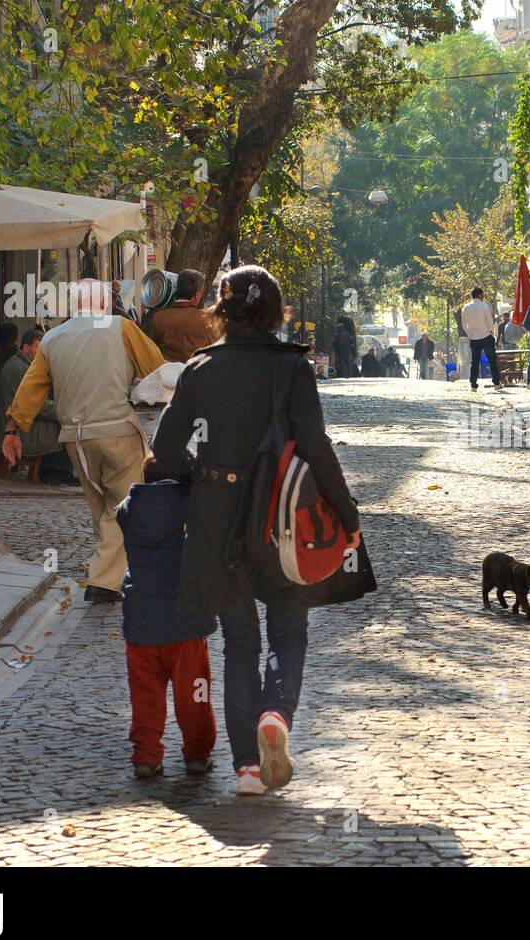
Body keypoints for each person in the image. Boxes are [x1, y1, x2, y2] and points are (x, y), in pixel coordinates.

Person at [149, 266, 364, 796]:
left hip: (217, 517)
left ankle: (246, 767)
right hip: (282, 517)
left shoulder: (199, 369)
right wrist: (347, 515)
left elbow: (165, 454)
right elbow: (314, 445)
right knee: (288, 628)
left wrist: (195, 476)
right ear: (275, 312)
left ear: (221, 310)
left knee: (240, 643)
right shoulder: (290, 367)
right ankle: (276, 715)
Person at [4, 279, 165, 603]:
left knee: (101, 508)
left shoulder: (53, 338)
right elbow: (157, 370)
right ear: (104, 304)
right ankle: (104, 580)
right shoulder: (120, 327)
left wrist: (12, 430)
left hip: (75, 439)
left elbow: (31, 389)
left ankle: (110, 575)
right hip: (116, 430)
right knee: (124, 507)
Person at [115, 479, 217, 779]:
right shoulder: (192, 507)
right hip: (186, 621)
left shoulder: (127, 510)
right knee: (195, 694)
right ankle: (197, 753)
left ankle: (146, 756)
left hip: (141, 620)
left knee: (145, 695)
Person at [0, 328, 76, 484]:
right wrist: (64, 410)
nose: (41, 353)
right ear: (26, 348)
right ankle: (57, 473)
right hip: (18, 430)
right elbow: (37, 405)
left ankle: (53, 471)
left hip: (13, 424)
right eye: (37, 348)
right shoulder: (20, 368)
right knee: (64, 422)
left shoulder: (20, 364)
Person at [150, 269, 217, 364]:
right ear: (197, 295)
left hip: (165, 374)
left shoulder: (158, 317)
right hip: (195, 375)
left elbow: (152, 350)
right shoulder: (206, 320)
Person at [462, 287, 502, 391]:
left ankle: (473, 384)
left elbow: (463, 323)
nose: (483, 296)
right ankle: (496, 383)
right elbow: (489, 320)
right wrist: (491, 331)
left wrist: (469, 333)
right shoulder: (484, 306)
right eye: (483, 295)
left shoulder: (466, 307)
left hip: (474, 338)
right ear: (480, 295)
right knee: (492, 360)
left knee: (475, 361)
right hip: (485, 336)